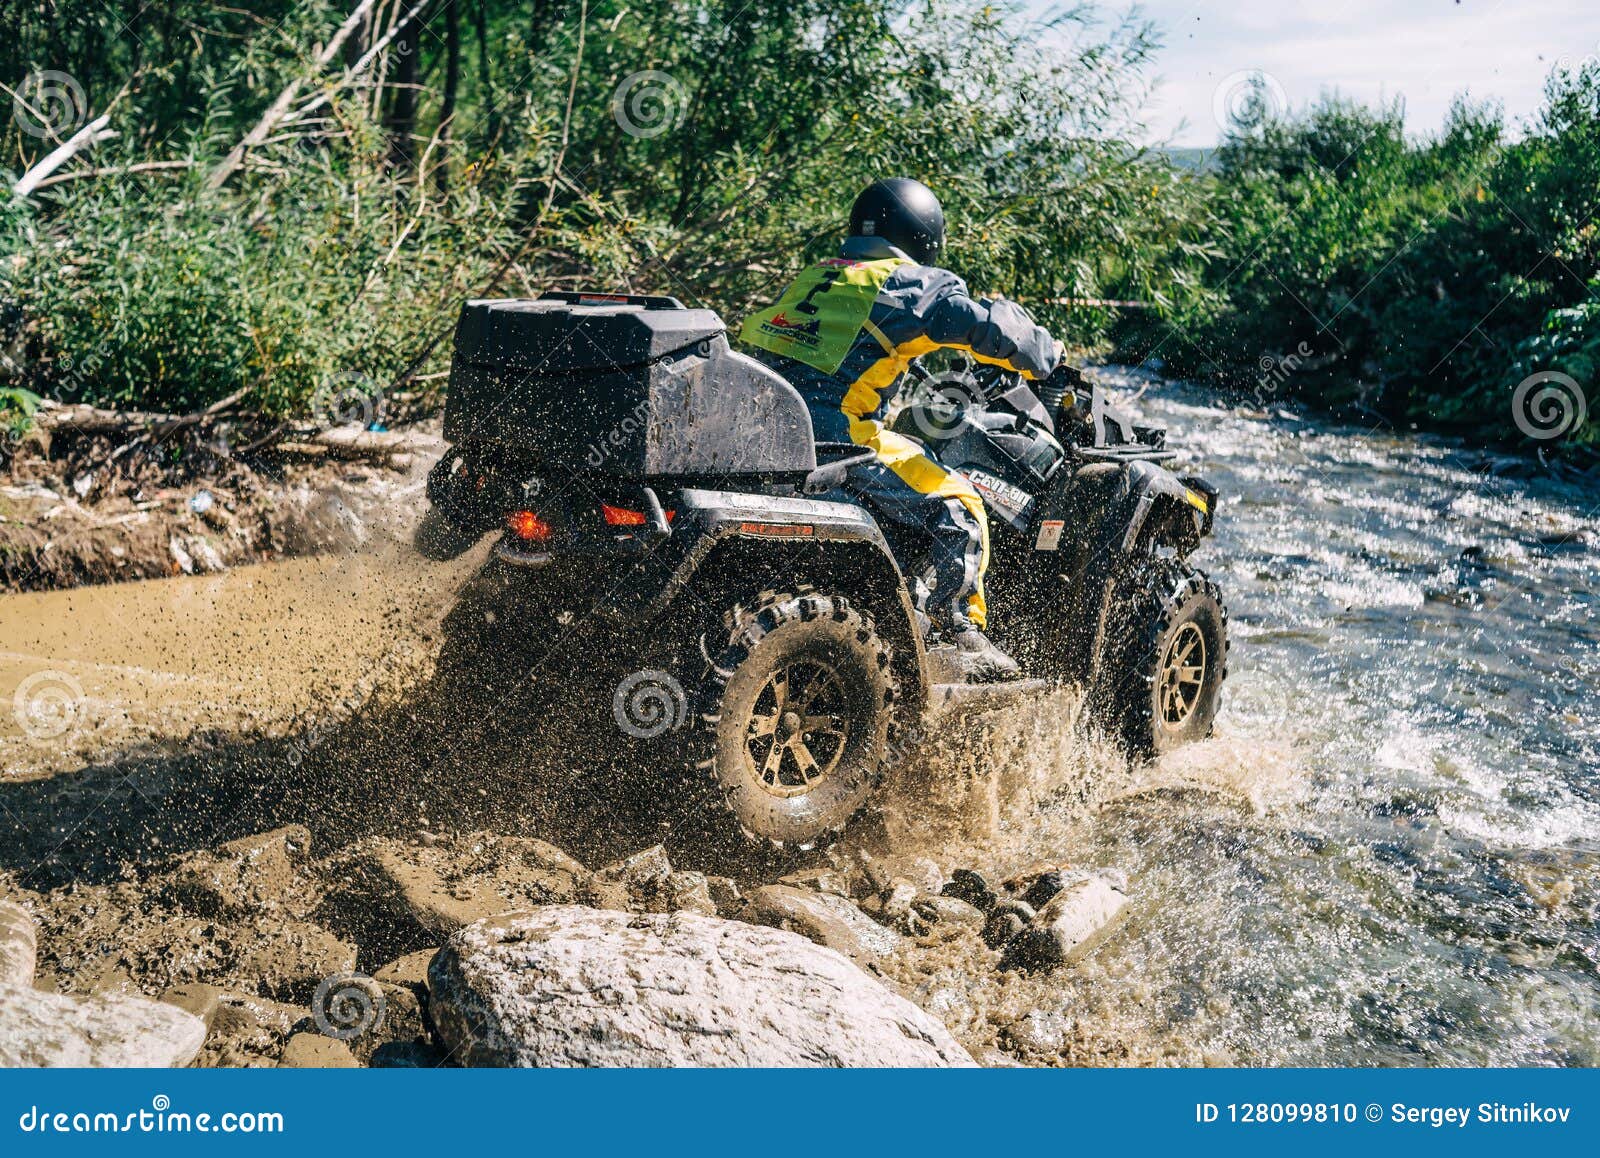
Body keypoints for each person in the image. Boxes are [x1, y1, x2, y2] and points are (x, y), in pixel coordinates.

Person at [740, 178, 1066, 682]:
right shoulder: (904, 282)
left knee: (898, 441)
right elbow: (983, 327)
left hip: (759, 429)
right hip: (834, 439)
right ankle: (957, 631)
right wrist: (1045, 356)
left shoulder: (814, 277)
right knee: (959, 504)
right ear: (924, 238)